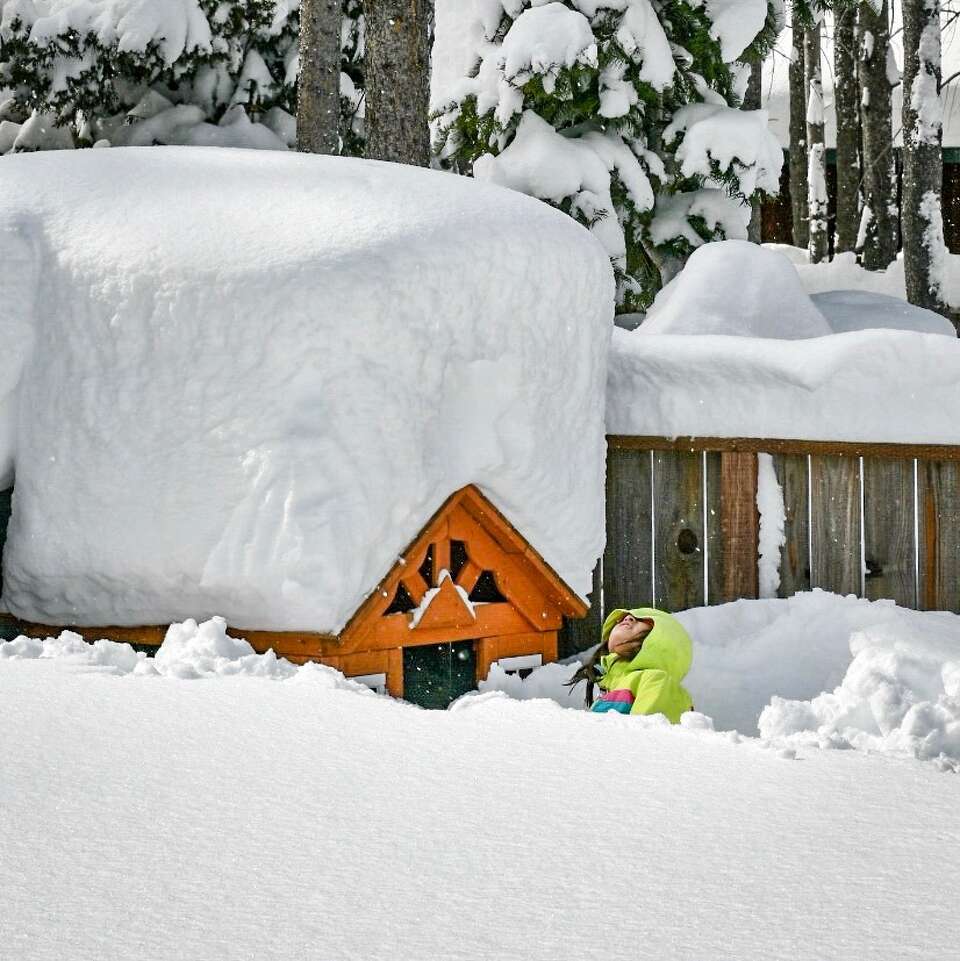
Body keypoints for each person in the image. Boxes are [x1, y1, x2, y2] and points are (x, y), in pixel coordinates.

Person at [567, 607, 694, 723]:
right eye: (623, 617)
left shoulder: (655, 681)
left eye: (641, 620)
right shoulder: (611, 683)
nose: (628, 618)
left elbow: (644, 735)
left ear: (662, 641)